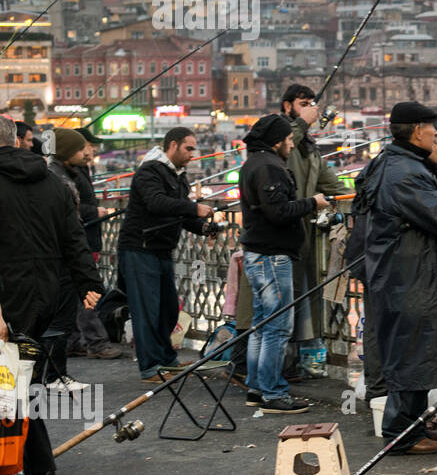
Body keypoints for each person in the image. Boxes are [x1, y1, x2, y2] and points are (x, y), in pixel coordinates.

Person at [355, 102, 437, 454]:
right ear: (417, 133)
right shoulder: (405, 172)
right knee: (412, 352)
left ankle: (409, 425)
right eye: (433, 131)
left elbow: (421, 200)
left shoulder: (394, 163)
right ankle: (401, 434)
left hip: (404, 274)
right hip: (409, 276)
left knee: (413, 349)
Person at [0, 115, 103, 475]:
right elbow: (74, 239)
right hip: (46, 293)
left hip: (8, 294)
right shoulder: (53, 184)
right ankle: (39, 465)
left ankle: (37, 465)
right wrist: (88, 283)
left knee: (16, 381)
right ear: (18, 141)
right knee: (22, 379)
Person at [238, 114, 328, 414]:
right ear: (277, 142)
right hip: (272, 257)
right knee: (277, 327)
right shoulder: (269, 166)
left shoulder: (254, 162)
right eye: (289, 140)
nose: (291, 145)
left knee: (261, 326)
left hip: (260, 254)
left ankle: (256, 388)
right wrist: (313, 203)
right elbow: (278, 212)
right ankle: (273, 392)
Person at [117, 127, 217, 382]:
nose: (192, 155)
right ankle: (150, 366)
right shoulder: (149, 171)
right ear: (172, 145)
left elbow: (180, 215)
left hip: (161, 249)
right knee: (147, 310)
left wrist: (204, 228)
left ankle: (166, 359)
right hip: (140, 247)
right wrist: (194, 208)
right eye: (189, 148)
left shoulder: (178, 176)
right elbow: (157, 203)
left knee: (168, 308)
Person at [280, 84, 348, 377]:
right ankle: (276, 371)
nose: (310, 108)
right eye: (302, 103)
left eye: (312, 104)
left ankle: (293, 363)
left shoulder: (309, 148)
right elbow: (280, 149)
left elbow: (333, 185)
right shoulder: (277, 136)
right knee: (282, 304)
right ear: (287, 107)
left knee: (301, 298)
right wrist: (301, 122)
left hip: (304, 238)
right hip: (280, 237)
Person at [48, 128, 121, 361]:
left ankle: (72, 343)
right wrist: (94, 212)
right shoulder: (61, 177)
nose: (91, 151)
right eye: (85, 147)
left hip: (81, 242)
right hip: (75, 246)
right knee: (86, 295)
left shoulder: (72, 171)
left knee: (74, 299)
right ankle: (96, 343)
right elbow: (71, 212)